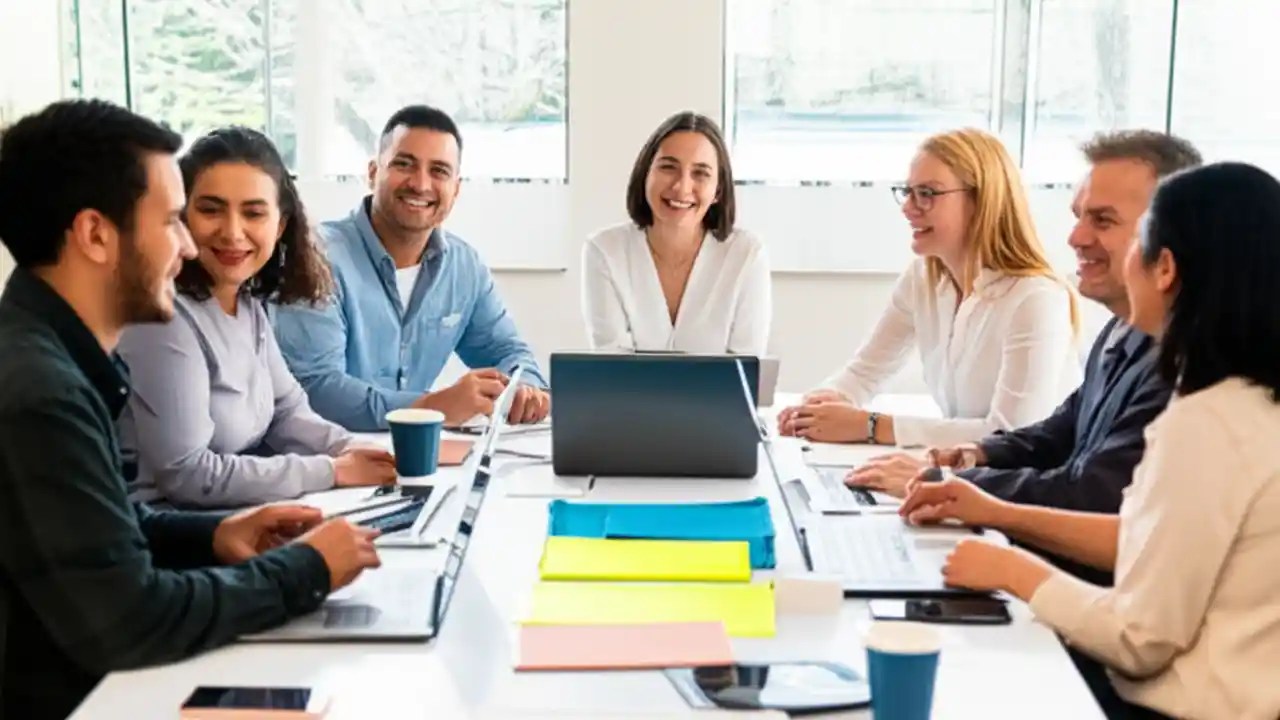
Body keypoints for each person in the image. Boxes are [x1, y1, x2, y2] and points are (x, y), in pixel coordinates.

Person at [0, 100, 381, 720]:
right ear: (96, 235)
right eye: (175, 220)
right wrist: (304, 570)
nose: (187, 248)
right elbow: (132, 617)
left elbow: (109, 526)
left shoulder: (53, 360)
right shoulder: (41, 393)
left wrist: (215, 534)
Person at [899, 162, 1280, 720]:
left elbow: (1139, 639)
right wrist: (991, 508)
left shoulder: (1206, 422)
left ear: (1165, 267)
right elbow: (1162, 542)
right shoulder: (1253, 404)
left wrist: (1012, 571)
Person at [910, 132, 1202, 518]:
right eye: (1078, 216)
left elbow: (1092, 494)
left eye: (1102, 220)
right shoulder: (1125, 330)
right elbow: (1064, 430)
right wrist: (975, 455)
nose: (1076, 237)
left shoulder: (1185, 365)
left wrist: (953, 485)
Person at [116, 127, 397, 508]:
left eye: (253, 213)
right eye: (210, 209)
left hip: (233, 516)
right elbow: (189, 474)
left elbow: (288, 413)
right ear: (181, 215)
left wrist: (360, 450)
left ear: (280, 226)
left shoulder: (245, 302)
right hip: (169, 535)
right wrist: (333, 471)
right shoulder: (162, 319)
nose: (233, 233)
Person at [778, 128, 1080, 453]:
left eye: (927, 193)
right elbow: (866, 372)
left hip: (1031, 483)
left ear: (982, 201)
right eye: (907, 192)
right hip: (971, 475)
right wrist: (821, 405)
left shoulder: (1035, 299)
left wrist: (871, 426)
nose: (908, 208)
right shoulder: (922, 278)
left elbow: (1010, 434)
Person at [272, 104, 550, 432]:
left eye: (439, 171)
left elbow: (509, 352)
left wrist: (526, 389)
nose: (420, 184)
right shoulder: (316, 255)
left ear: (456, 189)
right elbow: (317, 390)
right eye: (404, 164)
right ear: (373, 173)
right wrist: (433, 407)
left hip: (413, 458)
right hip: (326, 459)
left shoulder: (464, 266)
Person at [581, 111, 771, 355]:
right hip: (628, 395)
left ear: (718, 190)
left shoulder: (747, 254)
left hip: (719, 396)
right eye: (668, 167)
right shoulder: (604, 251)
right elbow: (613, 365)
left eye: (700, 173)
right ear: (645, 174)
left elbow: (746, 370)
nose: (682, 187)